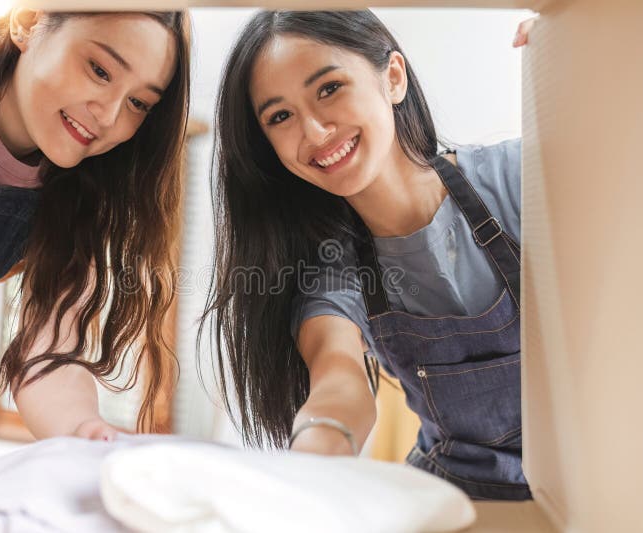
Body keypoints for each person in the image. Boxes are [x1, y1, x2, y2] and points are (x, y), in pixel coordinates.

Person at [203, 10, 531, 500]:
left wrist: (587, 47)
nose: (314, 132)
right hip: (452, 500)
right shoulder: (332, 269)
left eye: (329, 88)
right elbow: (339, 382)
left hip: (595, 488)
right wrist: (307, 468)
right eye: (280, 116)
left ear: (392, 77)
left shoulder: (520, 176)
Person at [0, 6, 190, 441]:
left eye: (138, 103)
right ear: (27, 22)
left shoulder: (84, 193)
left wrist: (83, 430)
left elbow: (51, 346)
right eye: (99, 69)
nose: (110, 116)